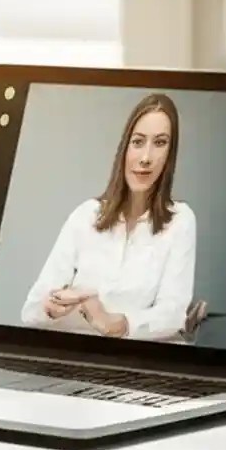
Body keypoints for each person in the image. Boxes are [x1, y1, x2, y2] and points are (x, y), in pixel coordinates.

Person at [20, 93, 196, 340]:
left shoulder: (181, 220)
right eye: (138, 142)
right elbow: (30, 310)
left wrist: (117, 324)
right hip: (70, 356)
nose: (146, 158)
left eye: (159, 143)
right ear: (125, 148)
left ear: (170, 154)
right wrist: (51, 308)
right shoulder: (85, 215)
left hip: (130, 365)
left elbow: (172, 314)